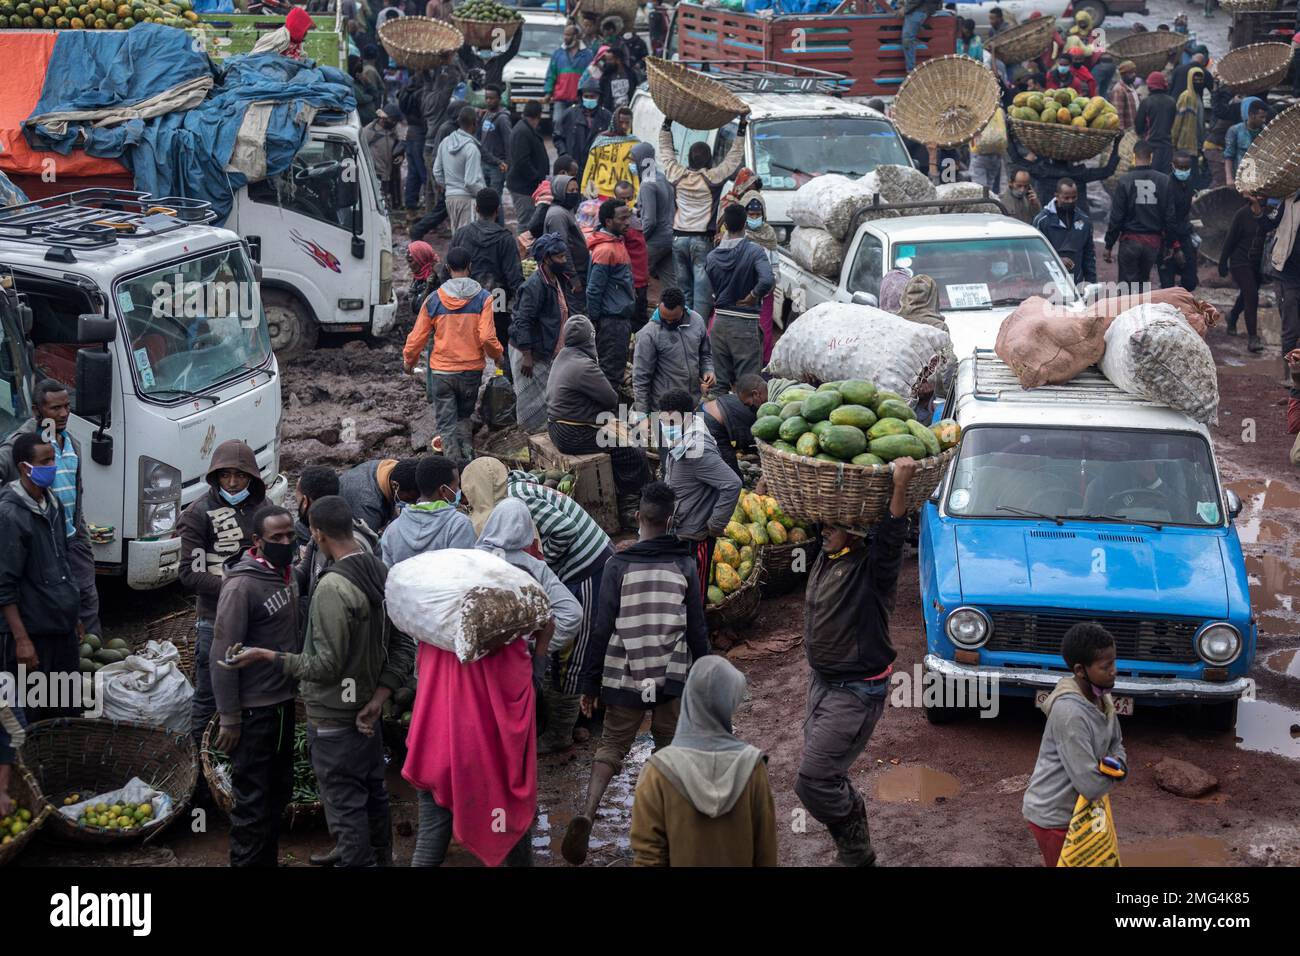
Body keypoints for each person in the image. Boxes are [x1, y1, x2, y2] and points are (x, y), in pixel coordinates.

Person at [223, 496, 413, 868]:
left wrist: (268, 656)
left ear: (317, 534)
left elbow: (324, 666)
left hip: (334, 720)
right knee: (373, 799)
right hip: (367, 715)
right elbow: (403, 643)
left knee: (345, 811)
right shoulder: (380, 571)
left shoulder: (333, 589)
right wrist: (379, 697)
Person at [563, 479, 711, 866]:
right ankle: (669, 829)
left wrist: (589, 683)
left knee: (611, 746)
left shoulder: (617, 566)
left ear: (637, 517)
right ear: (671, 520)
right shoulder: (684, 563)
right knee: (669, 747)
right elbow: (697, 626)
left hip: (624, 676)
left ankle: (589, 812)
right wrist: (706, 673)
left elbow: (600, 627)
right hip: (671, 675)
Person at [795, 457, 917, 867]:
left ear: (858, 528)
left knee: (813, 780)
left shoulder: (872, 569)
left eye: (834, 524)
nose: (825, 530)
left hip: (856, 691)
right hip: (822, 684)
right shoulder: (827, 555)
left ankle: (857, 853)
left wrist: (898, 487)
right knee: (826, 773)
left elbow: (892, 537)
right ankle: (854, 848)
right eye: (822, 525)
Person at [458, 458, 615, 755]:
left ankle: (561, 731)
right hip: (572, 571)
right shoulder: (507, 500)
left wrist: (545, 568)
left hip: (588, 567)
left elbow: (565, 531)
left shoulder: (516, 500)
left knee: (573, 652)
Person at [210, 505, 300, 868]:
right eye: (276, 538)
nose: (285, 542)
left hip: (282, 704)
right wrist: (230, 716)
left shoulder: (288, 574)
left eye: (290, 535)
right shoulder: (241, 586)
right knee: (252, 804)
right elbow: (221, 653)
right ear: (257, 542)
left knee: (278, 795)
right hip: (253, 712)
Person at [630, 655, 777, 867]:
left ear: (688, 698)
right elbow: (765, 852)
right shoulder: (752, 767)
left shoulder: (658, 771)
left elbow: (648, 857)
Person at [179, 440, 267, 749]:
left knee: (253, 689)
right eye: (225, 475)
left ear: (251, 478)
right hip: (215, 620)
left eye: (239, 476)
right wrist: (236, 589)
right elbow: (190, 573)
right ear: (215, 477)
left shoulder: (262, 510)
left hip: (258, 619)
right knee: (209, 694)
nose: (232, 483)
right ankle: (200, 766)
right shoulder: (199, 513)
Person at [1022, 623, 1127, 867]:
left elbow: (1117, 743)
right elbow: (1090, 786)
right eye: (1106, 666)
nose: (1114, 671)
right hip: (1055, 817)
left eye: (1114, 662)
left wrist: (1115, 764)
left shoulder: (1102, 696)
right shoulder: (1070, 714)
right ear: (1080, 670)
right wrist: (1116, 770)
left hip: (1080, 814)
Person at [0, 380, 99, 639]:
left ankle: (90, 666)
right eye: (56, 408)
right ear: (37, 410)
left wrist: (81, 533)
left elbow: (75, 493)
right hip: (40, 542)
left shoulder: (71, 443)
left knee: (86, 598)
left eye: (67, 406)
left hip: (72, 537)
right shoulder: (22, 444)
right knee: (44, 603)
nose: (64, 413)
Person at [0, 432, 80, 723]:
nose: (52, 467)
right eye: (45, 462)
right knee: (33, 715)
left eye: (52, 459)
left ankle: (61, 767)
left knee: (67, 710)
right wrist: (22, 640)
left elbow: (63, 562)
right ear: (24, 467)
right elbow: (4, 585)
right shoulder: (9, 515)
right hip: (33, 633)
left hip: (61, 628)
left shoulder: (53, 504)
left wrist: (75, 614)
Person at [402, 247, 503, 464]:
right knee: (464, 418)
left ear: (448, 268)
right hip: (470, 372)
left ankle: (452, 471)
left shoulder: (433, 299)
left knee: (446, 425)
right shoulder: (484, 298)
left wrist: (409, 362)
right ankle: (467, 464)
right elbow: (486, 336)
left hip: (441, 373)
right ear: (470, 267)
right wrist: (497, 356)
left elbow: (417, 336)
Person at [547, 315, 653, 518]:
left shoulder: (563, 356)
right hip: (573, 433)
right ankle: (629, 508)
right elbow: (610, 398)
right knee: (633, 452)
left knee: (624, 434)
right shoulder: (584, 365)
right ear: (590, 338)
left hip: (557, 427)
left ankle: (624, 491)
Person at [659, 112, 748, 315]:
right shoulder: (713, 177)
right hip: (702, 241)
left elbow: (666, 152)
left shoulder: (676, 174)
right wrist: (741, 127)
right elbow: (733, 158)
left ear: (688, 158)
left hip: (678, 239)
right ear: (709, 161)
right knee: (702, 293)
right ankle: (698, 333)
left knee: (683, 290)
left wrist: (667, 125)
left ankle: (682, 327)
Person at [658, 389, 743, 596]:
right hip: (679, 528)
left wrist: (715, 525)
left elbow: (732, 484)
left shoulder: (698, 448)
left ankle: (699, 627)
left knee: (695, 592)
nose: (665, 427)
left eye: (671, 422)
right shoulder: (681, 439)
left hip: (694, 537)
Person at [705, 203, 775, 395]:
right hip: (744, 323)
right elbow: (768, 280)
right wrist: (754, 295)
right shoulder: (754, 251)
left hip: (719, 323)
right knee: (749, 385)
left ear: (725, 226)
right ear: (745, 224)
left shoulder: (712, 257)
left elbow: (712, 289)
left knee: (719, 385)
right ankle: (744, 423)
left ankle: (716, 422)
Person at [632, 287, 714, 441]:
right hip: (666, 411)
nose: (668, 322)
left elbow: (705, 354)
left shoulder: (696, 321)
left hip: (694, 404)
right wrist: (643, 415)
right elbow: (640, 378)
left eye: (673, 319)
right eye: (665, 319)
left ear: (683, 309)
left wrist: (708, 370)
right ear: (659, 307)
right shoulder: (649, 334)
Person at [509, 233, 572, 433]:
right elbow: (522, 320)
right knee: (531, 404)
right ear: (546, 259)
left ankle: (544, 436)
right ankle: (531, 439)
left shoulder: (555, 280)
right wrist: (527, 355)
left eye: (564, 256)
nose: (564, 260)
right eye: (560, 257)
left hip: (546, 347)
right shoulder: (534, 286)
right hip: (530, 352)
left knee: (547, 398)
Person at [449, 187, 524, 356]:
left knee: (466, 351)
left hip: (465, 304)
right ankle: (501, 379)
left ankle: (471, 380)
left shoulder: (461, 235)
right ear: (497, 210)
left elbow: (448, 273)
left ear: (476, 209)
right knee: (501, 351)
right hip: (497, 304)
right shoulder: (505, 239)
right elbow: (515, 278)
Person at [722, 170, 780, 362]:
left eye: (757, 214)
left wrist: (767, 284)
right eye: (750, 214)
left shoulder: (769, 235)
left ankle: (762, 366)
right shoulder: (732, 236)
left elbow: (775, 267)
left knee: (763, 330)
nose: (754, 217)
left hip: (763, 293)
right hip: (738, 292)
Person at [379, 454, 476, 568]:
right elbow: (466, 573)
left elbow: (388, 577)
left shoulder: (391, 531)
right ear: (443, 490)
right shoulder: (459, 525)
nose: (458, 491)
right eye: (456, 486)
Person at [1104, 140, 1177, 291]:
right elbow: (1170, 217)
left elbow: (1116, 217)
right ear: (1151, 156)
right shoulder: (1164, 180)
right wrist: (1170, 244)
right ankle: (1141, 313)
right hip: (1153, 243)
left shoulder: (1125, 180)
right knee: (1143, 284)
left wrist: (1109, 244)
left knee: (1126, 287)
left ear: (1134, 156)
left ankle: (1127, 313)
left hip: (1130, 242)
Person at [585, 198, 637, 392]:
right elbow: (594, 290)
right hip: (611, 321)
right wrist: (596, 320)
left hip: (617, 319)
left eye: (628, 217)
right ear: (608, 221)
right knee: (610, 372)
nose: (627, 222)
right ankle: (606, 417)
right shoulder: (606, 249)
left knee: (613, 369)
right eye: (622, 218)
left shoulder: (615, 243)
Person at [1008, 130, 1121, 216]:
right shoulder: (1079, 174)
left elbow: (1016, 159)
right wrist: (1117, 143)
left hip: (1051, 217)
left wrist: (1009, 134)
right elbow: (1108, 171)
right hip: (1076, 219)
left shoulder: (1043, 172)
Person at [1219, 196, 1269, 350]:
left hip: (1258, 264)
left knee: (1247, 295)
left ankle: (1232, 316)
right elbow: (1230, 240)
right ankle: (1253, 338)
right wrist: (1222, 262)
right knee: (1252, 294)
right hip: (1240, 261)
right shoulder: (1242, 214)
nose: (1261, 198)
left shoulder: (1270, 214)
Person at [698, 373, 768, 477]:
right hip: (709, 424)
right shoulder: (751, 408)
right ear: (755, 394)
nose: (748, 405)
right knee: (730, 472)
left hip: (702, 412)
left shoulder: (753, 402)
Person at [432, 105, 486, 235]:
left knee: (457, 236)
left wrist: (450, 187)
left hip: (450, 197)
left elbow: (437, 172)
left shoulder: (445, 142)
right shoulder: (471, 148)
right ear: (474, 123)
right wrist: (485, 195)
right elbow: (470, 182)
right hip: (467, 199)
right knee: (468, 239)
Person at [336, 458, 419, 540]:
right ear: (395, 486)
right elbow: (366, 545)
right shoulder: (369, 505)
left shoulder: (388, 468)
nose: (414, 503)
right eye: (410, 498)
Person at [1033, 178, 1096, 285]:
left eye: (1074, 197)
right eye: (1066, 198)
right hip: (1048, 283)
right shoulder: (1042, 221)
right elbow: (1034, 253)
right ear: (1057, 196)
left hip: (1076, 282)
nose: (1070, 201)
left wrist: (1092, 283)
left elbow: (1089, 254)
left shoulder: (1084, 221)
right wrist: (1057, 260)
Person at [631, 141, 676, 290]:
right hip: (669, 238)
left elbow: (650, 220)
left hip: (656, 240)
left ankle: (638, 310)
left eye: (633, 160)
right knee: (671, 282)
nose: (631, 164)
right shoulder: (661, 177)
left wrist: (640, 240)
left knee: (635, 276)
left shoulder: (647, 184)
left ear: (641, 160)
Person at [544, 174, 590, 314]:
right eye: (570, 191)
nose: (575, 194)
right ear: (560, 191)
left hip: (579, 271)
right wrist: (573, 278)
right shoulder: (557, 215)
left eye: (576, 190)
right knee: (576, 314)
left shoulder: (566, 210)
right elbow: (562, 250)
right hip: (570, 276)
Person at [555, 74, 611, 178]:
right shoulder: (570, 114)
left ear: (599, 97)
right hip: (573, 168)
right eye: (586, 96)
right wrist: (564, 155)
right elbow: (558, 136)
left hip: (598, 169)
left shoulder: (607, 116)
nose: (589, 99)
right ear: (581, 97)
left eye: (593, 97)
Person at [1158, 152, 1199, 294]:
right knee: (1167, 285)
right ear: (1173, 166)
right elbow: (1168, 218)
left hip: (1184, 233)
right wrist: (1175, 247)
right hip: (1168, 239)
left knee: (1191, 281)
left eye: (1186, 167)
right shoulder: (1167, 185)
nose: (1183, 171)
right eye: (1180, 167)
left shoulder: (1189, 182)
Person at [506, 100, 549, 227]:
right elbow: (522, 162)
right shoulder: (522, 131)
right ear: (539, 115)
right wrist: (536, 178)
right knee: (526, 223)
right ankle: (523, 247)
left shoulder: (526, 129)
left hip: (527, 186)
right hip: (523, 188)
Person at [544, 22, 594, 129]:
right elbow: (551, 74)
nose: (565, 37)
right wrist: (548, 92)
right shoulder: (558, 54)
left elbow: (591, 76)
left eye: (568, 35)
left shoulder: (587, 55)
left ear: (576, 36)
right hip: (560, 98)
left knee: (577, 126)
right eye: (564, 34)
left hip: (579, 99)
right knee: (558, 123)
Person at [583, 108, 640, 202]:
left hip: (625, 196)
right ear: (615, 122)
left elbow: (636, 173)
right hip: (601, 194)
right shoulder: (601, 141)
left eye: (627, 123)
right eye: (621, 122)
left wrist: (637, 196)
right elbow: (590, 168)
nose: (624, 126)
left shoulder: (635, 144)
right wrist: (584, 189)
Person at [615, 180, 650, 326]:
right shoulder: (619, 225)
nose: (625, 202)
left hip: (642, 279)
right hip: (631, 281)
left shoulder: (635, 218)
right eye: (622, 198)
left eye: (629, 198)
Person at [477, 84, 512, 223]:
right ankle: (487, 226)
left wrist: (507, 163)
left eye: (492, 98)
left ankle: (499, 228)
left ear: (499, 99)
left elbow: (509, 143)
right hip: (485, 163)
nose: (488, 101)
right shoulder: (486, 114)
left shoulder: (503, 118)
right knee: (485, 199)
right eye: (486, 98)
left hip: (498, 166)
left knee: (495, 199)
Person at [397, 72, 428, 225]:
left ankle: (411, 210)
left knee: (413, 174)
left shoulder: (405, 92)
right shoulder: (421, 94)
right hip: (420, 134)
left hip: (410, 132)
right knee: (424, 174)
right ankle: (430, 212)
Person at [1135, 72, 1176, 174]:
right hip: (1168, 147)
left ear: (1150, 85)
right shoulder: (1172, 101)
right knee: (1166, 178)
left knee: (1152, 178)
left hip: (1151, 147)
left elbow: (1138, 126)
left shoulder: (1146, 102)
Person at [365, 104, 403, 210]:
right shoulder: (369, 131)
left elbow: (400, 145)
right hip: (376, 173)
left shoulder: (394, 131)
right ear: (383, 118)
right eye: (392, 120)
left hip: (390, 172)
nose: (394, 123)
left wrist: (401, 155)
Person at [1225, 98, 1269, 190]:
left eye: (1265, 117)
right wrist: (1229, 178)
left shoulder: (1266, 133)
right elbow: (1229, 156)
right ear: (1252, 115)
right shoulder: (1235, 131)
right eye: (1261, 117)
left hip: (1259, 181)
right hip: (1241, 179)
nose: (1264, 120)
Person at [1204, 83, 1240, 189]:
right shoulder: (1230, 111)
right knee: (1220, 181)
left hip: (1214, 148)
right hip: (1215, 149)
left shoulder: (1225, 109)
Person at [597, 43, 640, 113]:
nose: (607, 63)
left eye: (610, 60)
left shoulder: (631, 74)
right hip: (611, 113)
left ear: (618, 60)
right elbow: (601, 97)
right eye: (606, 60)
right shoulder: (606, 76)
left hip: (629, 112)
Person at [901, 0, 942, 73]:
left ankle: (911, 70)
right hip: (926, 8)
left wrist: (906, 8)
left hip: (919, 9)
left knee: (907, 38)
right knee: (909, 38)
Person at [406, 241, 440, 319]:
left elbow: (420, 308)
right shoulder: (420, 276)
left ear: (421, 259)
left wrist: (428, 287)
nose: (409, 265)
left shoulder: (436, 279)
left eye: (410, 261)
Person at [1108, 59, 1140, 132]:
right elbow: (1118, 115)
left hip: (1133, 131)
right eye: (1130, 73)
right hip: (1126, 133)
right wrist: (1121, 133)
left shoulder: (1132, 87)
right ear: (1123, 74)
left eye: (1134, 72)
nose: (1134, 75)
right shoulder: (1119, 90)